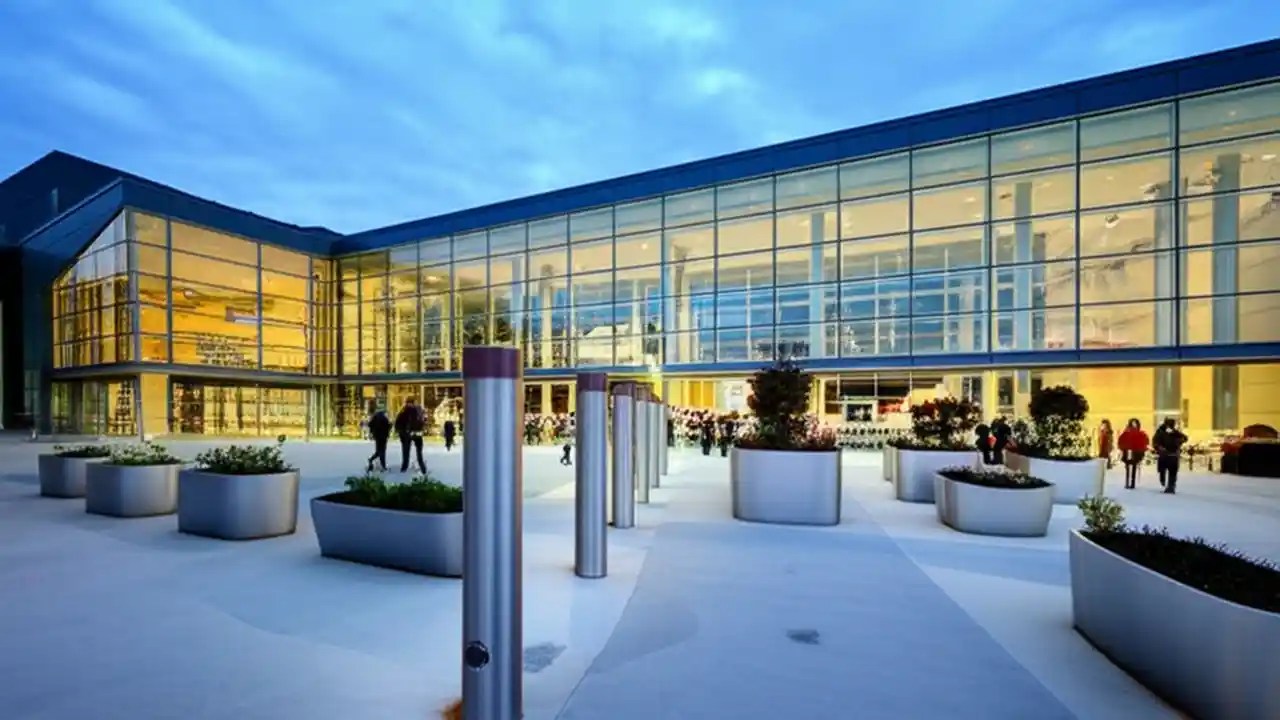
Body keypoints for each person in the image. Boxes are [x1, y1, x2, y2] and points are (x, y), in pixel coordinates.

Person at [1152, 417, 1188, 494]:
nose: (1171, 426)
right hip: (1165, 453)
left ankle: (1171, 486)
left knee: (1172, 471)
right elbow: (1155, 441)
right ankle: (1165, 482)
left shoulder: (1173, 431)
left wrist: (1180, 441)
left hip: (1172, 454)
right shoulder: (1161, 431)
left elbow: (1184, 438)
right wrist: (1159, 447)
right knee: (1165, 469)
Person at [394, 397, 428, 474]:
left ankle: (404, 468)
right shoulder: (419, 409)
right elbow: (423, 421)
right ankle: (422, 467)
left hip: (407, 434)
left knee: (406, 452)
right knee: (419, 452)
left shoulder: (404, 410)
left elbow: (397, 423)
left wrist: (400, 432)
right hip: (417, 433)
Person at [1117, 418, 1149, 489]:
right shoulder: (1127, 433)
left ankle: (1131, 483)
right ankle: (1128, 482)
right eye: (1133, 423)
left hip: (1135, 452)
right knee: (1129, 467)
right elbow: (1121, 441)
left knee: (1133, 466)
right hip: (1129, 451)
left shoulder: (1140, 433)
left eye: (1135, 423)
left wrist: (1142, 449)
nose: (1134, 425)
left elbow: (1145, 442)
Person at [365, 405, 391, 472]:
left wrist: (372, 432)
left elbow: (369, 424)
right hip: (383, 436)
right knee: (382, 451)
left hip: (377, 436)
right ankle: (382, 465)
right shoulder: (384, 418)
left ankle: (372, 460)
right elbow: (388, 426)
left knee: (378, 451)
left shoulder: (375, 417)